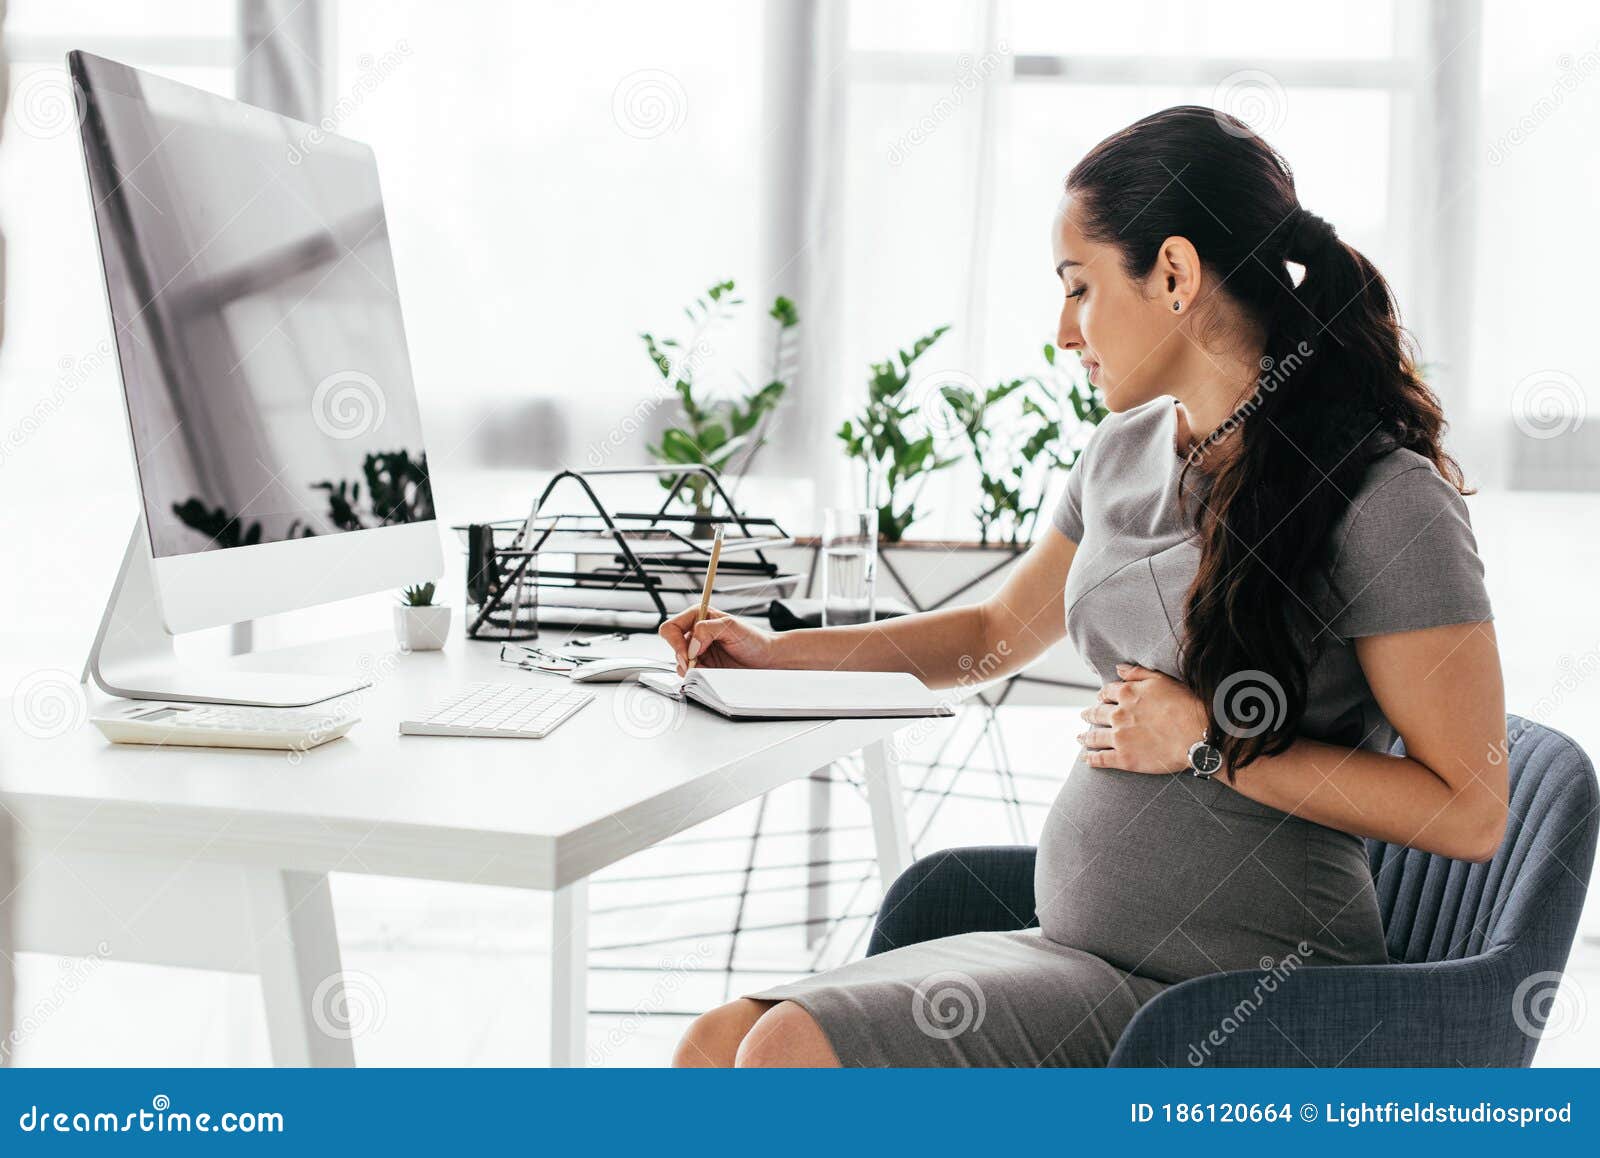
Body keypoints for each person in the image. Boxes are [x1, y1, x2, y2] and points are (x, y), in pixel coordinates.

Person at [660, 106, 1506, 1068]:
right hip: (1077, 953)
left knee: (786, 1052)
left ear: (1175, 276)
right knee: (717, 1040)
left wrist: (1207, 745)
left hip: (1239, 994)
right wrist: (777, 655)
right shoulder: (1122, 451)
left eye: (1079, 288)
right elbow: (990, 631)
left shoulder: (1385, 498)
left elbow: (1469, 809)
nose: (1064, 331)